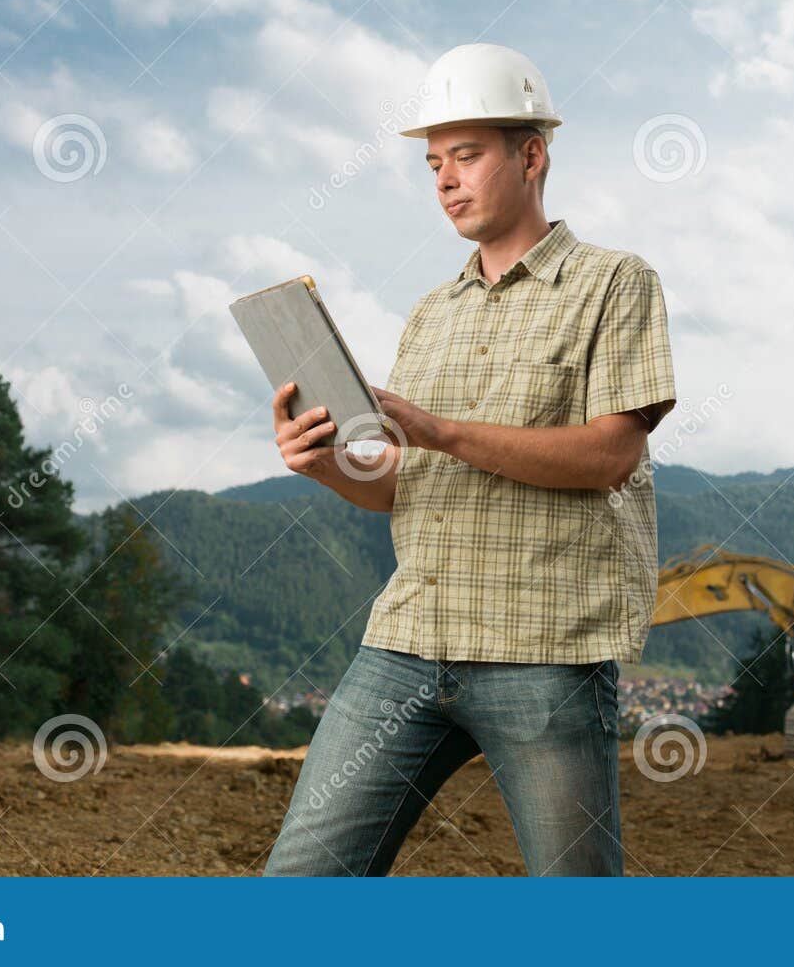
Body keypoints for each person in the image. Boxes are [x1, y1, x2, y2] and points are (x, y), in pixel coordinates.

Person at [262, 43, 677, 877]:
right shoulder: (430, 313)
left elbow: (609, 454)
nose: (446, 179)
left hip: (545, 652)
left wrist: (444, 431)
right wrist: (322, 463)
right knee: (299, 884)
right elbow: (397, 490)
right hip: (406, 644)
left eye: (468, 155)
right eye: (434, 163)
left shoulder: (614, 284)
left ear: (531, 156)